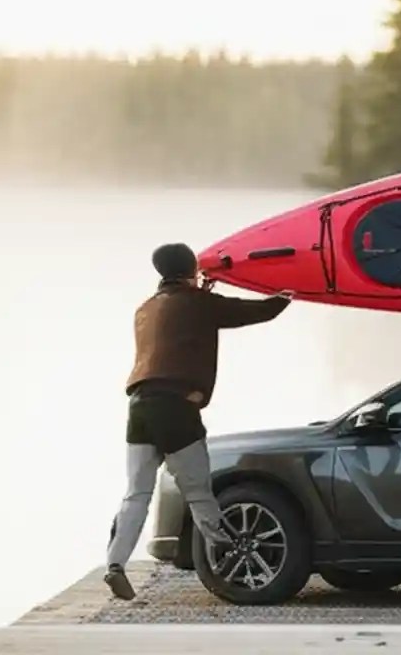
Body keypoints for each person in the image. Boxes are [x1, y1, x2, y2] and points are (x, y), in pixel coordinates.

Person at [104, 242, 293, 600]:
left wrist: (201, 292)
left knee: (136, 493)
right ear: (191, 269)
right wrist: (288, 295)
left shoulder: (145, 308)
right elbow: (256, 312)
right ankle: (228, 557)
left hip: (139, 406)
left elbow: (182, 322)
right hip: (176, 407)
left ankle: (115, 564)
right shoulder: (199, 303)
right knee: (198, 492)